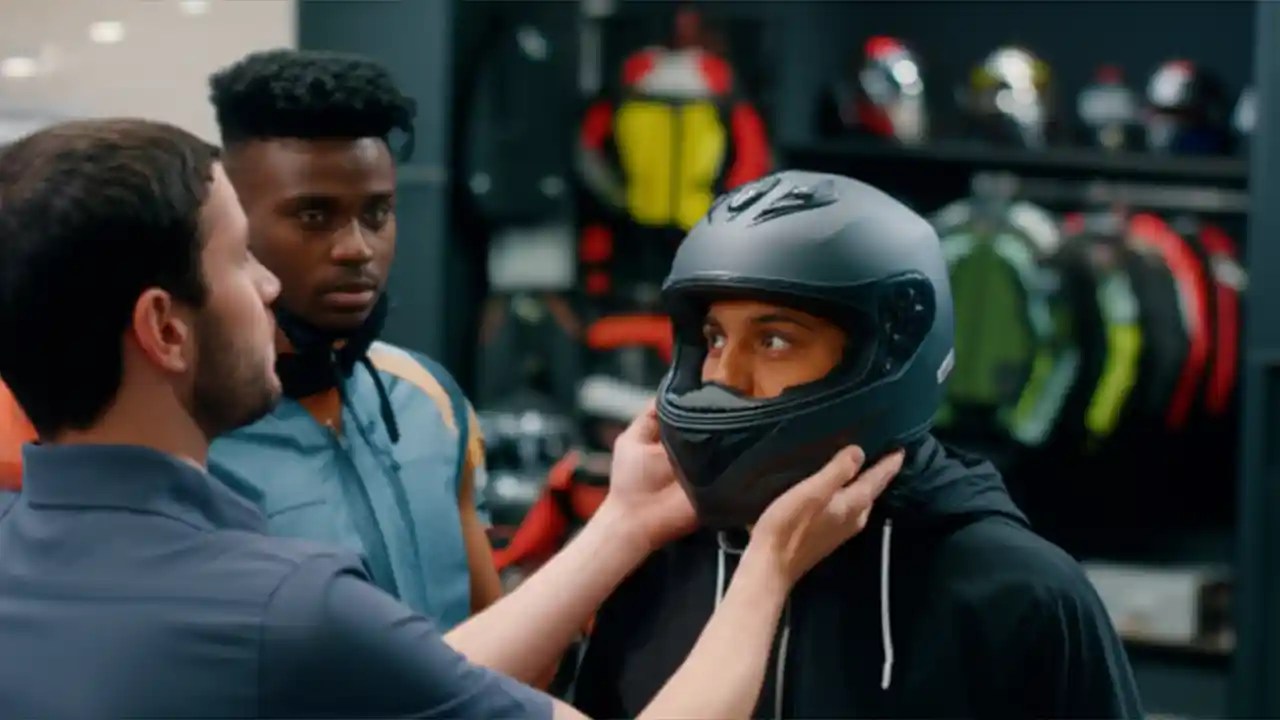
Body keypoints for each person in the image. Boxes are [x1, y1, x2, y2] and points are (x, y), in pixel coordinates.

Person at [0, 118, 904, 719]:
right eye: (242, 260)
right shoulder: (283, 610)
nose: (271, 286)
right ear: (164, 327)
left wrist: (625, 522)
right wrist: (773, 565)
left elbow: (418, 685)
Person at [573, 170, 1144, 719]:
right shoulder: (658, 572)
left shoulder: (1018, 592)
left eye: (773, 340)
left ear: (886, 351)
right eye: (715, 338)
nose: (725, 376)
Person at [203, 49, 499, 628]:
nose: (357, 248)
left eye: (377, 212)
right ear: (234, 222)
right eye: (314, 216)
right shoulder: (186, 431)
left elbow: (492, 627)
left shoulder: (427, 397)